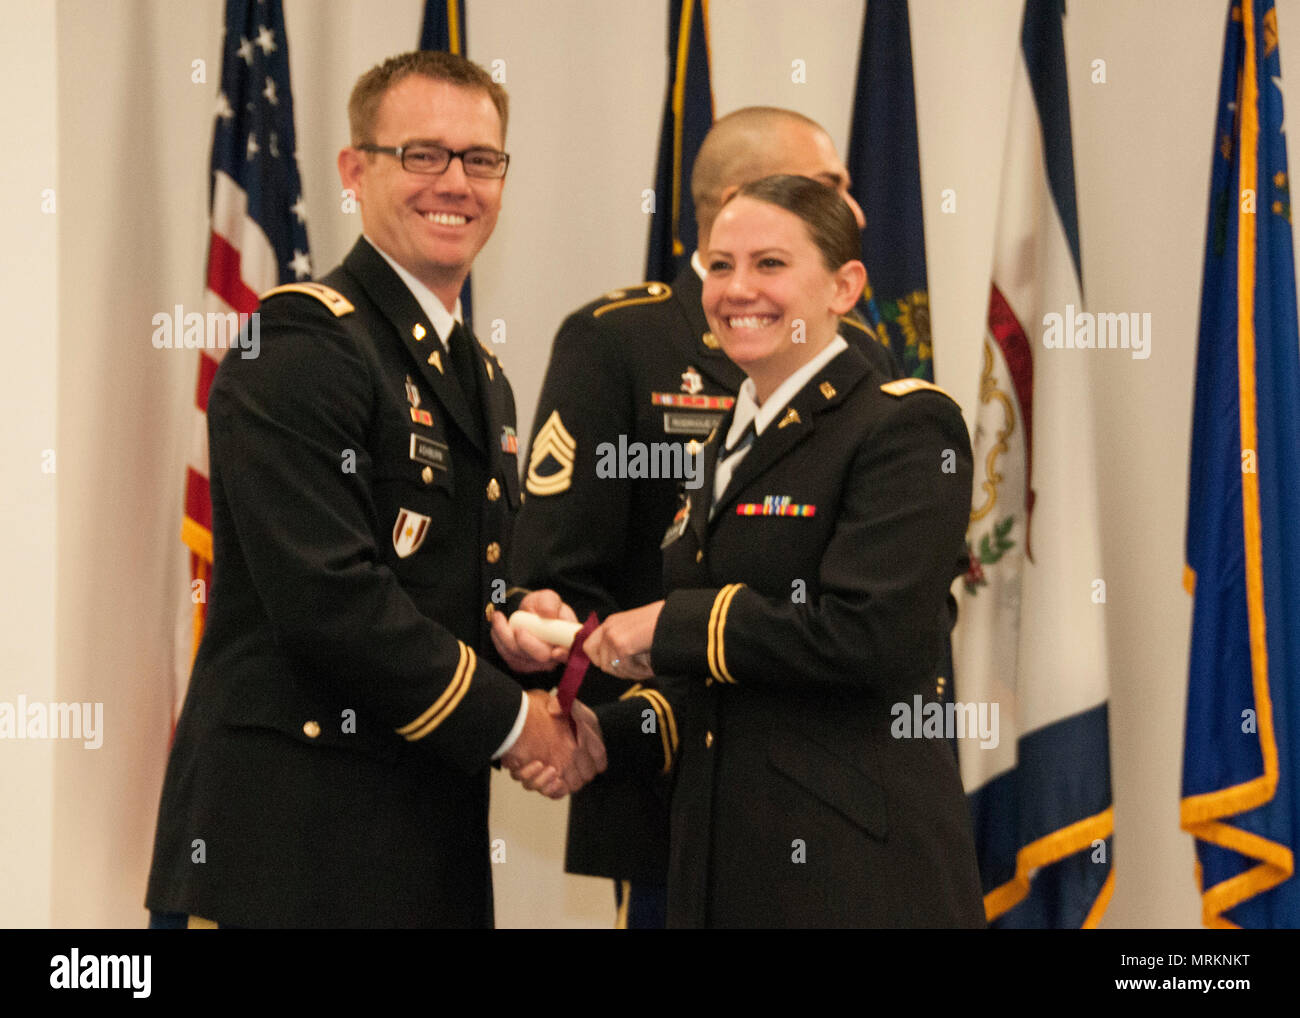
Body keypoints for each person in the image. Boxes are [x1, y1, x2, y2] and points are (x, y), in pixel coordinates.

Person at [145, 51, 603, 930]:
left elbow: (435, 586)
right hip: (288, 859)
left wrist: (518, 624)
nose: (455, 184)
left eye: (481, 160)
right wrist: (519, 726)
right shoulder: (303, 344)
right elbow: (330, 599)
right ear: (356, 171)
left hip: (423, 847)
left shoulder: (482, 377)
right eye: (422, 155)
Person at [509, 107, 902, 929]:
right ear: (738, 198)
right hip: (667, 785)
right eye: (827, 188)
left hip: (822, 790)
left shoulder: (861, 361)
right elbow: (560, 569)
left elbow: (880, 607)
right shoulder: (618, 341)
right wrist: (608, 716)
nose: (855, 212)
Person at [581, 175, 985, 928]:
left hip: (854, 875)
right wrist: (603, 735)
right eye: (720, 265)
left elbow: (867, 634)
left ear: (844, 285)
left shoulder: (905, 428)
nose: (738, 289)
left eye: (770, 264)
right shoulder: (728, 439)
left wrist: (670, 624)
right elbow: (730, 694)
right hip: (720, 865)